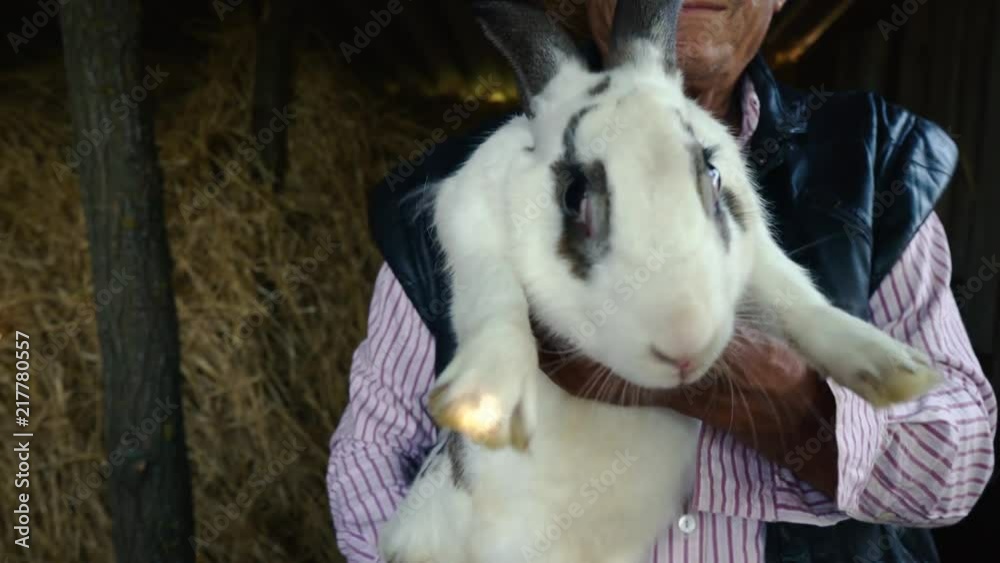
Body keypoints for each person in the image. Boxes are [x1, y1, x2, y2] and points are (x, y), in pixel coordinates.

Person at [327, 0, 997, 561]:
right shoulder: (474, 189)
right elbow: (371, 459)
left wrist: (793, 405)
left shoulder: (874, 168)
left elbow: (957, 462)